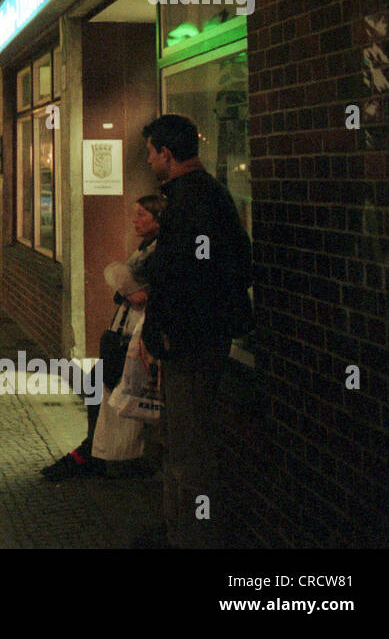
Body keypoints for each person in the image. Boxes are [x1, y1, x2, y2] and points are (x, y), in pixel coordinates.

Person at [140, 114, 252, 549]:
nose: (149, 162)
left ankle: (193, 538)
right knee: (183, 442)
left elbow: (181, 277)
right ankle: (180, 531)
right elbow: (236, 263)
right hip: (201, 337)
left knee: (189, 450)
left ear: (166, 154)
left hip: (191, 342)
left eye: (151, 154)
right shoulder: (209, 195)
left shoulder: (189, 202)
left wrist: (163, 333)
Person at [41, 194, 166, 480]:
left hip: (138, 337)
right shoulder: (144, 249)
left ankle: (105, 455)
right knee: (100, 385)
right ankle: (96, 451)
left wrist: (123, 282)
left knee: (117, 392)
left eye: (141, 215)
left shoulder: (158, 252)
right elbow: (118, 277)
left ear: (158, 219)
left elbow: (128, 281)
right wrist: (122, 284)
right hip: (124, 333)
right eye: (134, 214)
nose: (134, 220)